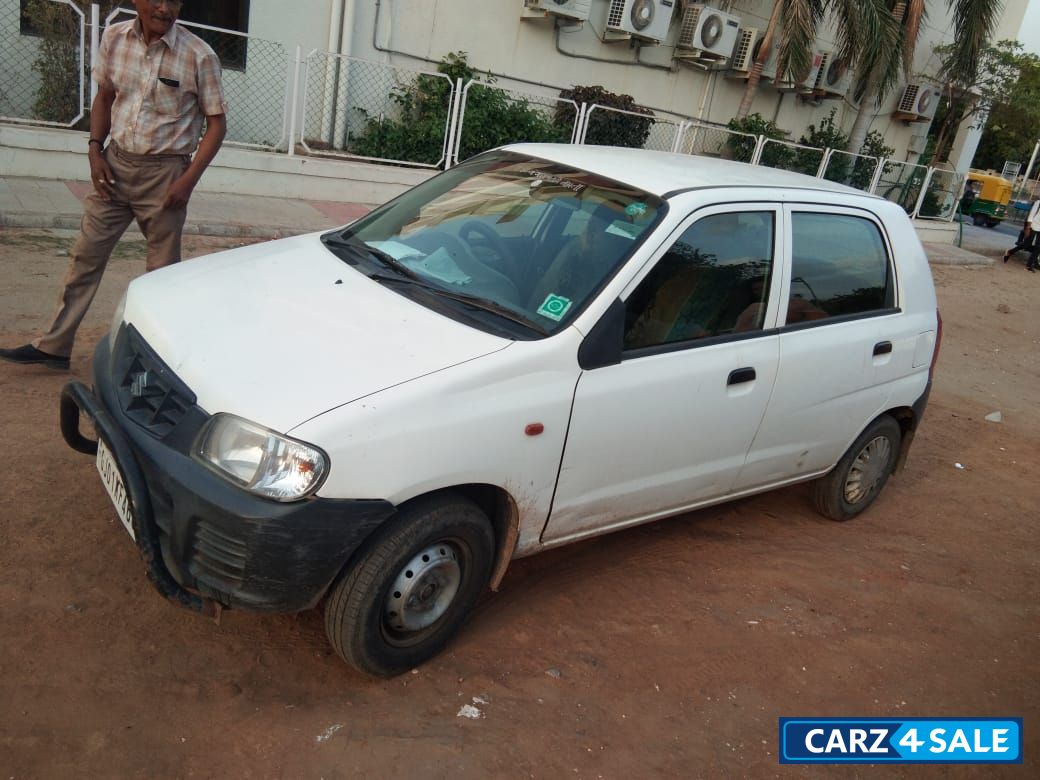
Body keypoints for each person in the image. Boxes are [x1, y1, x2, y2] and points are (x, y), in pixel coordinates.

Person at [0, 0, 226, 370]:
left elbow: (217, 125)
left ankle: (155, 362)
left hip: (166, 175)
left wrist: (187, 181)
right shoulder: (115, 37)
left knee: (162, 275)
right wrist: (94, 151)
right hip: (115, 166)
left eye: (175, 1)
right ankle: (54, 346)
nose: (166, 8)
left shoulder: (200, 55)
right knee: (85, 256)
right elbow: (105, 96)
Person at [1003, 198, 1040, 272]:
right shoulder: (1038, 202)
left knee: (1038, 247)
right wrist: (1028, 227)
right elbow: (1031, 214)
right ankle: (1010, 252)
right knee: (1026, 244)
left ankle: (1028, 266)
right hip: (1034, 226)